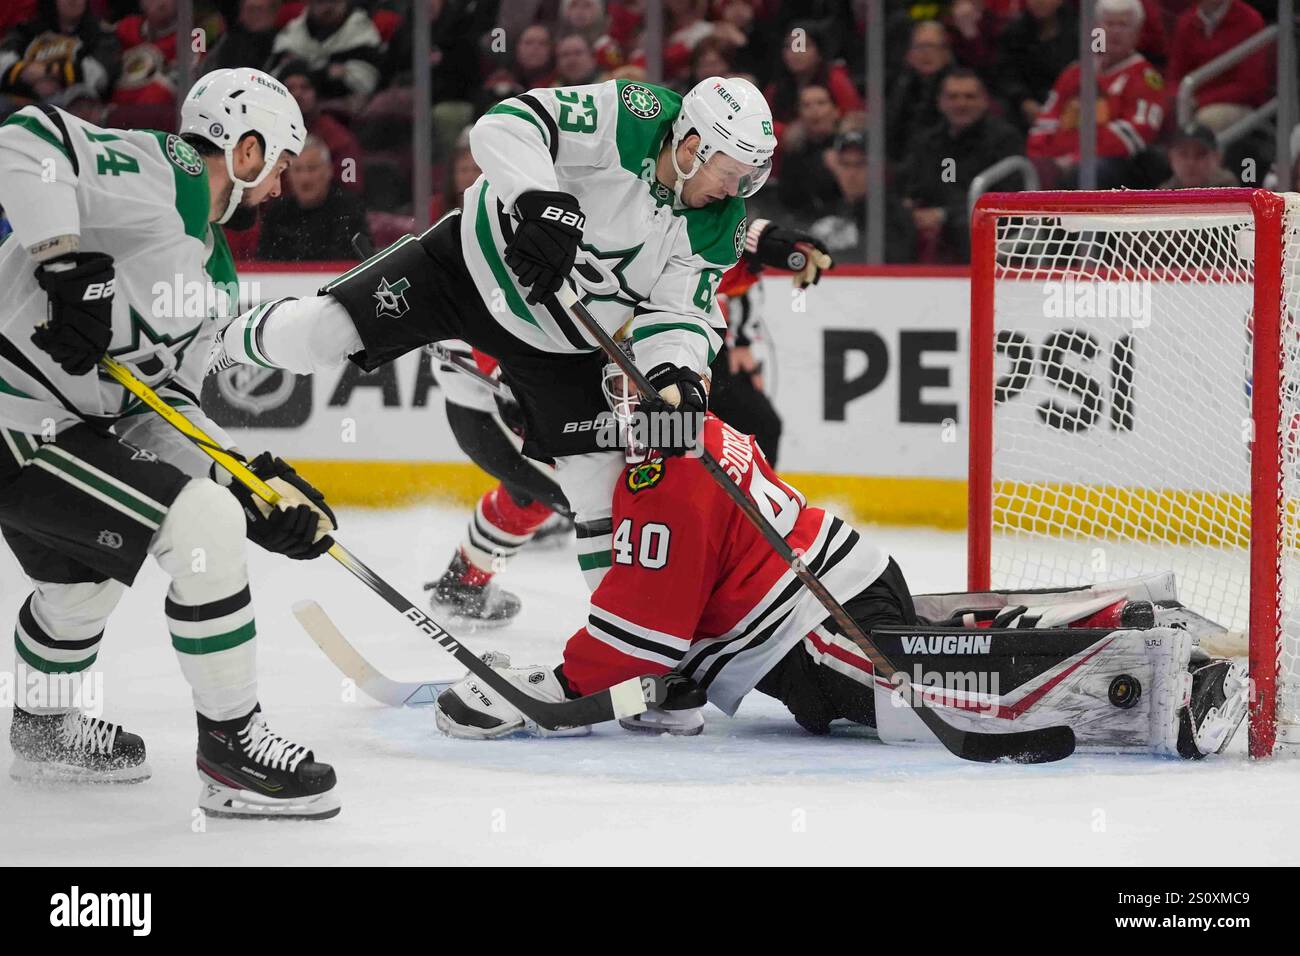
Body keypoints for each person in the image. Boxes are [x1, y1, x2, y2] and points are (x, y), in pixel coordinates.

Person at [433, 391, 1249, 754]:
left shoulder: (656, 484)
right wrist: (673, 682)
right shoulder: (683, 428)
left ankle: (1168, 683)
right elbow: (672, 610)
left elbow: (640, 633)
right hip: (840, 581)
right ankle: (1128, 612)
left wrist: (541, 689)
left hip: (808, 634)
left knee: (947, 685)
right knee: (939, 646)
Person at [215, 75, 776, 596]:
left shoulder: (719, 222)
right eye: (731, 169)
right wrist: (539, 201)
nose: (737, 188)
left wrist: (674, 372)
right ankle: (208, 344)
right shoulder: (632, 116)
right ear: (692, 142)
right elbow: (505, 124)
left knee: (599, 489)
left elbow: (678, 312)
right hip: (467, 265)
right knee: (319, 332)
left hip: (566, 344)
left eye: (750, 175)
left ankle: (625, 640)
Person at [0, 67, 341, 819]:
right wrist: (64, 262)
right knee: (201, 523)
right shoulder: (168, 172)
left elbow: (163, 405)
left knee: (81, 585)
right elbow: (22, 139)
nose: (282, 187)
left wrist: (250, 479)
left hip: (56, 428)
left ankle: (43, 729)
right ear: (246, 149)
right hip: (14, 416)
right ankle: (232, 753)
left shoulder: (212, 270)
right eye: (281, 163)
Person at [424, 217, 832, 625]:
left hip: (526, 393)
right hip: (489, 407)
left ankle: (464, 584)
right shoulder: (547, 228)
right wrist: (512, 376)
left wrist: (760, 244)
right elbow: (492, 301)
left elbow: (692, 265)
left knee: (540, 494)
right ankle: (636, 628)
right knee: (614, 506)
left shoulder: (626, 221)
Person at [1026, 0, 1166, 189]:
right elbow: (1044, 125)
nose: (1115, 31)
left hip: (1115, 169)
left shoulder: (1145, 77)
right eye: (1108, 24)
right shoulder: (1074, 73)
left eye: (1123, 25)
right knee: (1022, 169)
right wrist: (1045, 159)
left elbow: (1133, 136)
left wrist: (1075, 156)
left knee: (1089, 170)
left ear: (1136, 34)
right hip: (1063, 160)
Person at [901, 69, 1024, 263]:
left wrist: (945, 214)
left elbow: (1005, 199)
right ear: (940, 102)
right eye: (953, 97)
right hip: (934, 224)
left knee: (962, 226)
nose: (961, 104)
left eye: (969, 97)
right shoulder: (927, 142)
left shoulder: (1004, 140)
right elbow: (915, 187)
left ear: (984, 101)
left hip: (988, 228)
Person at [256, 134, 369, 261]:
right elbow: (265, 266)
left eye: (312, 168)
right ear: (288, 175)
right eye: (298, 170)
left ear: (328, 170)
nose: (305, 178)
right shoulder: (276, 213)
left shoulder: (349, 210)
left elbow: (360, 262)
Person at [1166, 0, 1272, 135]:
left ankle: (1198, 155)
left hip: (1240, 104)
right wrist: (1175, 97)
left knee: (1207, 120)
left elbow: (1250, 86)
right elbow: (1174, 75)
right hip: (1192, 100)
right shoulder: (1186, 21)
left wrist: (1199, 101)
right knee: (1159, 112)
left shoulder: (1250, 20)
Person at [0, 0, 120, 108]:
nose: (73, 2)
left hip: (71, 106)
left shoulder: (101, 33)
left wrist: (49, 71)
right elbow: (3, 62)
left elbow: (99, 74)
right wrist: (26, 77)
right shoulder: (26, 30)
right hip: (22, 100)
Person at [268, 0, 383, 103]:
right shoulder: (293, 32)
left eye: (333, 2)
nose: (327, 7)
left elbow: (366, 83)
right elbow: (272, 79)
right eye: (321, 2)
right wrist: (329, 72)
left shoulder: (362, 33)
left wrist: (307, 71)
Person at [1159, 123, 1239, 188]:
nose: (1191, 162)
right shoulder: (1162, 195)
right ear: (1170, 158)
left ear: (1217, 158)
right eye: (1183, 154)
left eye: (1200, 154)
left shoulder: (1230, 192)